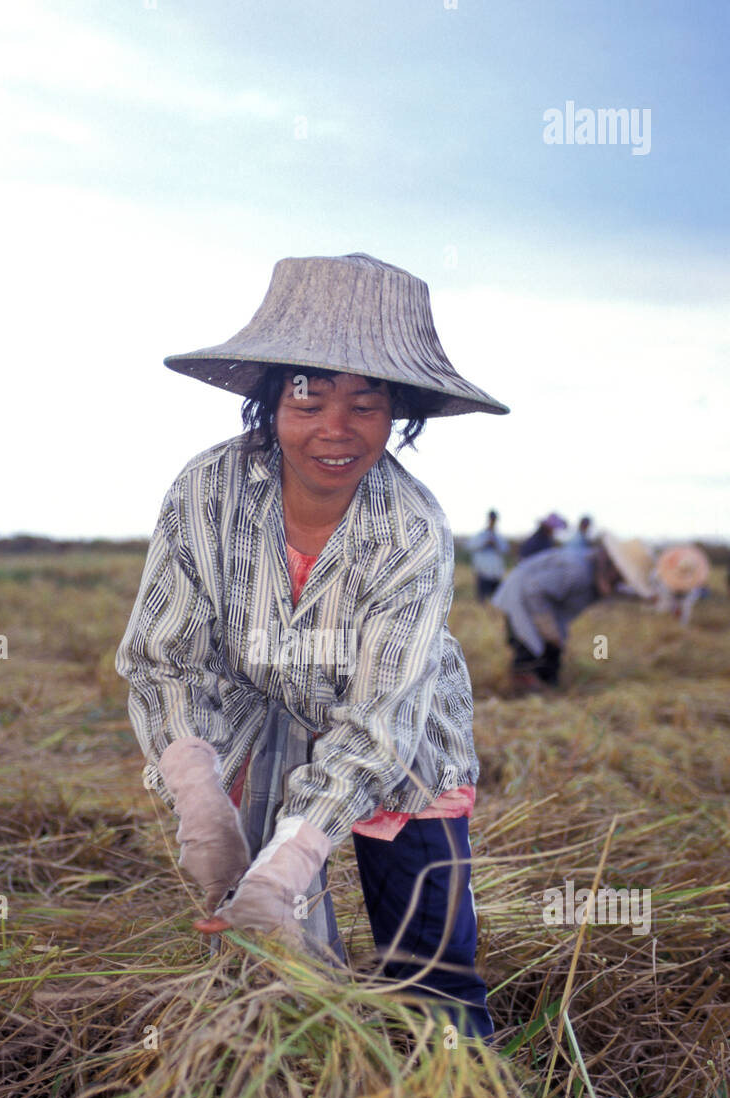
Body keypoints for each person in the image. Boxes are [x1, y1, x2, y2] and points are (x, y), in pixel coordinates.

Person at [115, 252, 510, 1039]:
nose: (335, 429)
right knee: (271, 973)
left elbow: (380, 715)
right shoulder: (207, 491)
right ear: (268, 402)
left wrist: (295, 852)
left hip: (403, 750)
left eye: (365, 404)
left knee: (432, 971)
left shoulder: (410, 529)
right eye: (308, 397)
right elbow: (167, 655)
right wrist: (197, 790)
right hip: (260, 732)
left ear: (398, 414)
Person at [491, 535, 654, 693]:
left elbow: (614, 592)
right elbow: (533, 590)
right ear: (612, 565)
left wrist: (642, 598)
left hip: (543, 606)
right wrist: (548, 629)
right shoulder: (577, 570)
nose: (619, 582)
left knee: (552, 658)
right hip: (522, 601)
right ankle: (523, 693)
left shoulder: (595, 572)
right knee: (531, 650)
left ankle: (546, 689)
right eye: (619, 577)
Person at [467, 509, 509, 600]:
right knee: (482, 599)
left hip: (496, 573)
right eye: (491, 519)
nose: (493, 521)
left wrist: (495, 544)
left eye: (494, 519)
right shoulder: (481, 535)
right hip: (483, 572)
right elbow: (470, 546)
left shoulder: (499, 537)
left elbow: (505, 549)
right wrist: (485, 543)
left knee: (496, 600)